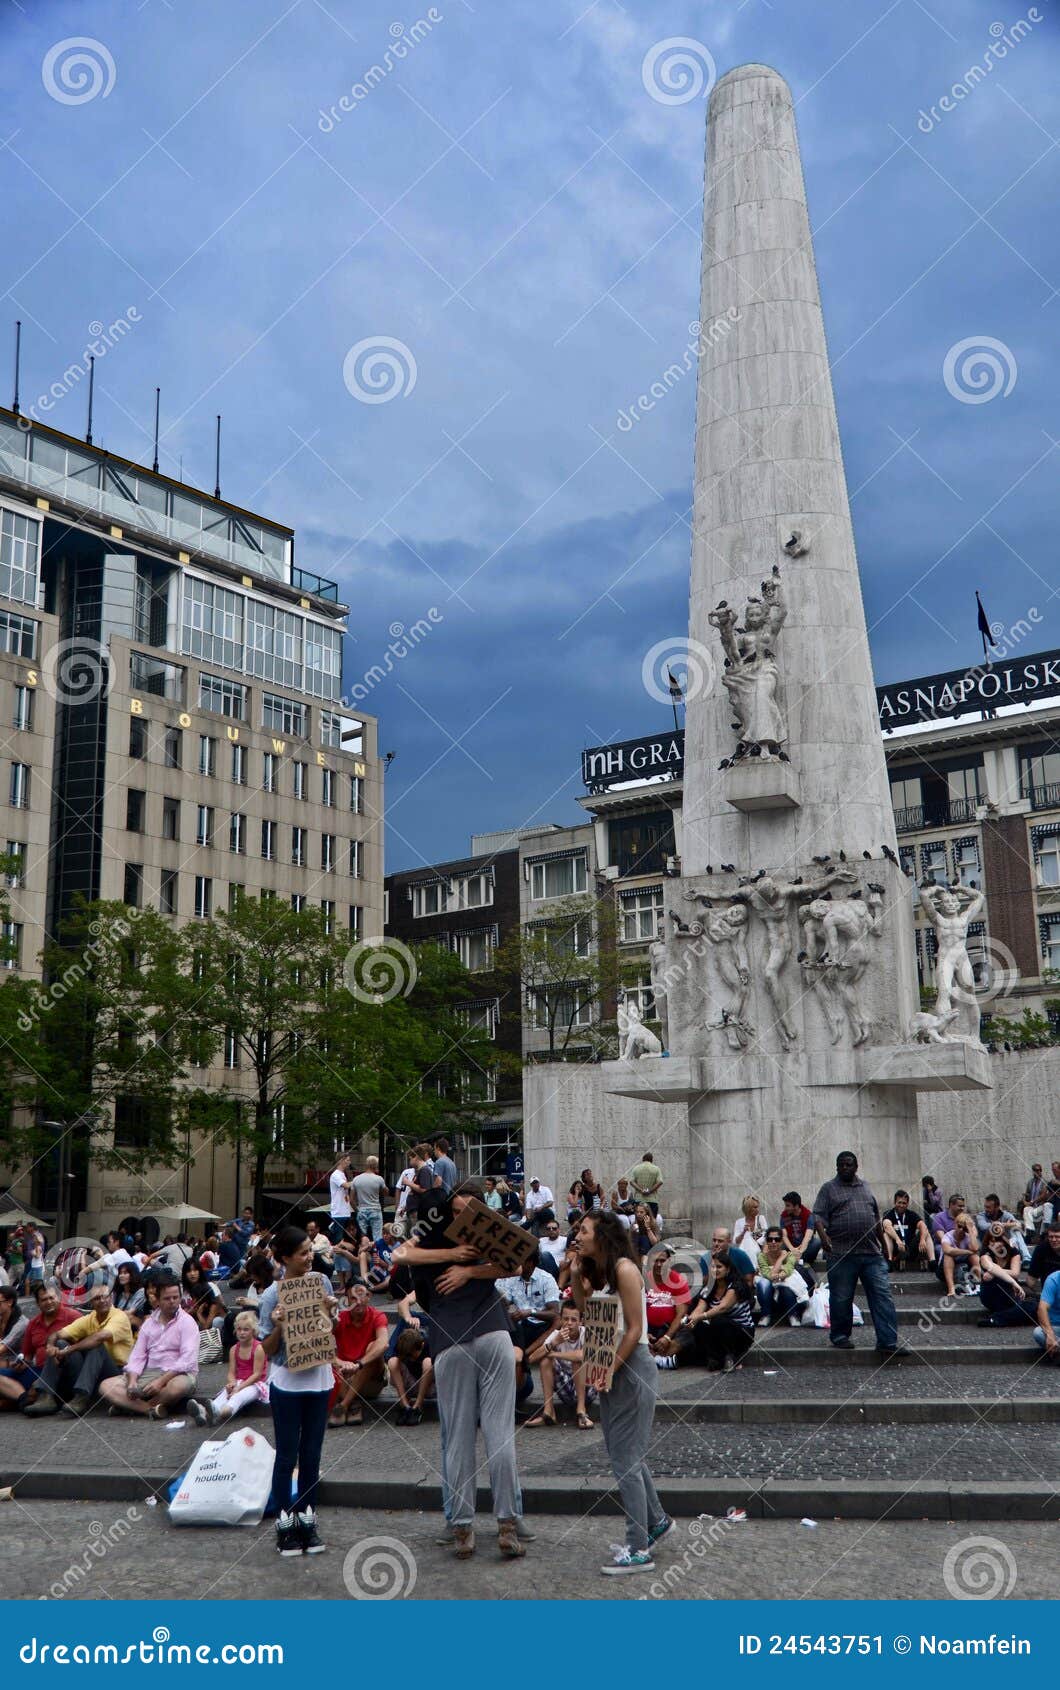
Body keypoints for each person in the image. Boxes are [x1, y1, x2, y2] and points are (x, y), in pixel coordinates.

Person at [393, 1178, 526, 1560]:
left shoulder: (432, 1236)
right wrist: (464, 1261)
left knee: (458, 1436)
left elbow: (399, 1255)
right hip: (491, 1330)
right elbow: (513, 1263)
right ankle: (506, 1524)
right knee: (500, 1435)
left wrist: (461, 1267)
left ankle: (463, 1528)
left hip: (451, 1337)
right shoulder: (486, 1232)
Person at [570, 1210, 669, 1574]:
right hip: (611, 1366)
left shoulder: (626, 1270)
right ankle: (656, 1521)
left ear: (603, 1235)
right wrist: (579, 1276)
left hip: (631, 1367)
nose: (577, 1235)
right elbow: (588, 1316)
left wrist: (609, 1369)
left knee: (626, 1459)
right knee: (623, 1454)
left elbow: (634, 1330)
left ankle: (638, 1547)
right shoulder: (601, 1273)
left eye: (584, 1230)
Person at [259, 1225, 337, 1556]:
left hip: (318, 1376)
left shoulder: (321, 1283)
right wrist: (278, 1324)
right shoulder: (271, 1295)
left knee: (312, 1454)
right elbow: (267, 1346)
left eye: (311, 1251)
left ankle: (308, 1519)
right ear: (285, 1258)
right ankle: (284, 1523)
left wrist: (330, 1312)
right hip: (288, 1380)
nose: (310, 1258)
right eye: (304, 1253)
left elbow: (330, 1328)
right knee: (287, 1454)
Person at [812, 1152, 907, 1356]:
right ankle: (840, 1336)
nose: (845, 1168)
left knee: (882, 1296)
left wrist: (884, 1246)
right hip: (841, 1253)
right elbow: (818, 1216)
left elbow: (875, 1219)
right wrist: (823, 1237)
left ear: (856, 1166)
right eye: (841, 1165)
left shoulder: (865, 1187)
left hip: (871, 1253)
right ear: (837, 1167)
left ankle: (888, 1342)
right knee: (841, 1297)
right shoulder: (828, 1189)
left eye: (849, 1164)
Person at [25, 1282, 134, 1416]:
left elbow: (99, 1338)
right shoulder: (90, 1318)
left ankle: (81, 1397)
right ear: (90, 1302)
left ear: (112, 1297)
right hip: (91, 1372)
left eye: (106, 1296)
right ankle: (46, 1397)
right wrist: (50, 1346)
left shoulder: (120, 1316)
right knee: (59, 1343)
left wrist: (69, 1350)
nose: (102, 1301)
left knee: (96, 1345)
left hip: (116, 1373)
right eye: (97, 1298)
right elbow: (58, 1334)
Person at [99, 1280, 200, 1417]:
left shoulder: (187, 1322)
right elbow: (137, 1356)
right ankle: (148, 1409)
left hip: (177, 1374)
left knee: (178, 1387)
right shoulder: (149, 1323)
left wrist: (161, 1382)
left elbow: (186, 1361)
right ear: (157, 1299)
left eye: (175, 1297)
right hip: (148, 1371)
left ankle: (129, 1407)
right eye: (167, 1298)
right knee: (105, 1386)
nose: (172, 1301)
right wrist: (132, 1381)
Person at [661, 1248, 756, 1371]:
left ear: (728, 1269)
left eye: (719, 1267)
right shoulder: (709, 1288)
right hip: (720, 1331)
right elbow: (700, 1307)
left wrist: (699, 1317)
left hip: (742, 1331)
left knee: (717, 1320)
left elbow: (723, 1307)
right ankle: (717, 1359)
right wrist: (691, 1319)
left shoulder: (736, 1286)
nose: (715, 1270)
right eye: (712, 1267)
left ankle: (730, 1357)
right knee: (698, 1325)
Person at [189, 1311, 269, 1426]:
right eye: (239, 1329)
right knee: (223, 1396)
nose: (242, 1333)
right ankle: (205, 1412)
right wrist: (232, 1383)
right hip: (239, 1381)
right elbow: (231, 1372)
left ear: (253, 1331)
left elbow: (257, 1374)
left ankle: (218, 1414)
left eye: (246, 1330)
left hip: (255, 1384)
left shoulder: (258, 1348)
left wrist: (239, 1388)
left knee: (238, 1397)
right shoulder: (233, 1349)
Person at [0, 1282, 71, 1409]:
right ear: (38, 1303)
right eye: (44, 1300)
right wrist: (21, 1365)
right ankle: (23, 1398)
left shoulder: (72, 1316)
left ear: (58, 1298)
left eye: (51, 1298)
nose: (49, 1302)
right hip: (36, 1370)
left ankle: (20, 1398)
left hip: (62, 1371)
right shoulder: (33, 1323)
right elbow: (27, 1357)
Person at [497, 1250, 560, 1390]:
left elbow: (554, 1312)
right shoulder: (509, 1277)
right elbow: (504, 1302)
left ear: (530, 1263)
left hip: (539, 1327)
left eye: (521, 1261)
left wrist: (530, 1312)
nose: (517, 1264)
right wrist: (508, 1306)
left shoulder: (546, 1278)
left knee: (557, 1321)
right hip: (517, 1327)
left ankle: (525, 1354)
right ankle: (522, 1356)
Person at [329, 1279, 389, 1427]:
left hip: (371, 1379)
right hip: (345, 1376)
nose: (359, 1302)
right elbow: (321, 1346)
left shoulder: (378, 1316)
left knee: (373, 1348)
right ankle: (353, 1403)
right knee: (327, 1357)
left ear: (368, 1296)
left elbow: (384, 1343)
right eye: (353, 1298)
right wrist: (340, 1362)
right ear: (347, 1299)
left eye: (362, 1297)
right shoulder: (340, 1318)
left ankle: (343, 1405)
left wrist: (359, 1364)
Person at [525, 1304, 595, 1428]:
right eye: (566, 1319)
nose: (569, 1323)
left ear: (581, 1322)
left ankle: (581, 1411)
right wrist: (554, 1342)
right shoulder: (557, 1335)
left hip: (587, 1388)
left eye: (574, 1320)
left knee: (576, 1361)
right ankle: (549, 1411)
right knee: (545, 1361)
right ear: (561, 1320)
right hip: (566, 1387)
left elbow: (580, 1356)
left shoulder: (587, 1333)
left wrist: (555, 1354)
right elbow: (531, 1358)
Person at [978, 1227, 1035, 1328]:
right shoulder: (985, 1254)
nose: (994, 1245)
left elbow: (1015, 1273)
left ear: (1004, 1240)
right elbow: (990, 1266)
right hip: (991, 1294)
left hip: (1010, 1294)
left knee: (1032, 1307)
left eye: (998, 1241)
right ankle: (1006, 1316)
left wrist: (995, 1272)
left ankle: (995, 1319)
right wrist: (1013, 1282)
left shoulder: (1013, 1252)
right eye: (991, 1241)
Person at [756, 1228, 810, 1326]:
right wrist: (780, 1259)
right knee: (763, 1283)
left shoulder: (790, 1255)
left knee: (785, 1285)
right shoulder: (761, 1256)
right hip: (769, 1296)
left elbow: (788, 1270)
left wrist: (780, 1275)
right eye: (769, 1239)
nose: (773, 1242)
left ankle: (793, 1315)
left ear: (781, 1242)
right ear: (766, 1241)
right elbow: (768, 1274)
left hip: (786, 1296)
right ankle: (766, 1315)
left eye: (776, 1239)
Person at [645, 1246, 692, 1350]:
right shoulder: (643, 1280)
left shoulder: (679, 1281)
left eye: (662, 1261)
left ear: (669, 1261)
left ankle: (662, 1357)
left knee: (689, 1330)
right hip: (648, 1329)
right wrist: (644, 1334)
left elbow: (681, 1315)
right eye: (655, 1261)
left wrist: (667, 1337)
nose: (658, 1264)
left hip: (671, 1330)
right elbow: (636, 1312)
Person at [388, 1326, 435, 1425]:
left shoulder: (430, 1345)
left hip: (430, 1386)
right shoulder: (403, 1348)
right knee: (393, 1362)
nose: (410, 1359)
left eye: (412, 1355)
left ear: (421, 1345)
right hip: (411, 1384)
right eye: (407, 1356)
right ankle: (405, 1406)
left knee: (428, 1362)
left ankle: (417, 1407)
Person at [934, 1199, 981, 1296]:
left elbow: (975, 1249)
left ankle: (979, 1285)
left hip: (964, 1267)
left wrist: (971, 1231)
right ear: (955, 1224)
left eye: (964, 1228)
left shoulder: (968, 1236)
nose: (961, 1230)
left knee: (975, 1256)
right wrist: (967, 1252)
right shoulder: (948, 1236)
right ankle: (951, 1289)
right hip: (943, 1270)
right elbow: (948, 1250)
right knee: (948, 1256)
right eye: (959, 1226)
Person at [882, 1191, 935, 1271]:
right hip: (896, 1247)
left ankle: (932, 1262)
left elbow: (922, 1225)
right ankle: (889, 1262)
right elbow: (887, 1226)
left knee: (925, 1232)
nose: (901, 1205)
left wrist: (922, 1239)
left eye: (904, 1203)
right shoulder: (889, 1213)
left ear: (907, 1203)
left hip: (910, 1248)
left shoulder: (911, 1214)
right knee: (886, 1234)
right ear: (894, 1202)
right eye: (899, 1202)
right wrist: (897, 1240)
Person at [976, 1194, 1030, 1266]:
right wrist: (1003, 1225)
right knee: (1011, 1228)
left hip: (1003, 1244)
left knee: (1015, 1231)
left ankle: (1026, 1258)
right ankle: (1017, 1257)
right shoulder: (981, 1216)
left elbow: (1019, 1225)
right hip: (988, 1245)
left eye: (988, 1207)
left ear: (997, 1207)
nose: (986, 1209)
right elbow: (983, 1226)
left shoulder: (1005, 1215)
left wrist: (1004, 1225)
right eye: (985, 1207)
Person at [780, 1191, 821, 1270]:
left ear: (796, 1206)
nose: (785, 1208)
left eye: (788, 1206)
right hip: (791, 1247)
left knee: (817, 1242)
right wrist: (793, 1250)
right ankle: (795, 1261)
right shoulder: (784, 1216)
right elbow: (784, 1236)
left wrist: (800, 1252)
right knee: (779, 1244)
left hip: (805, 1248)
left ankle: (799, 1261)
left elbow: (808, 1237)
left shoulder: (808, 1215)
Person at [353, 1155, 389, 1243]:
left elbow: (351, 1199)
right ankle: (377, 1254)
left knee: (362, 1236)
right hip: (375, 1209)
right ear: (376, 1166)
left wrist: (357, 1210)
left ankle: (363, 1254)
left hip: (362, 1209)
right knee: (377, 1237)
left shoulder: (356, 1179)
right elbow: (386, 1193)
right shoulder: (379, 1179)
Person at [181, 1259, 225, 1330]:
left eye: (195, 1270)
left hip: (212, 1323)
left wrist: (198, 1313)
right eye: (189, 1271)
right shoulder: (183, 1290)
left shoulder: (210, 1287)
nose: (192, 1274)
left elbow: (207, 1326)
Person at [1033, 1268, 1060, 1363]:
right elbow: (1042, 1309)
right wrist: (1050, 1335)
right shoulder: (1053, 1279)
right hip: (1055, 1327)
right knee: (1038, 1333)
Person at [328, 1151, 353, 1246]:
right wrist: (357, 1181)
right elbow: (346, 1185)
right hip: (338, 1213)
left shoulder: (342, 1174)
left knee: (345, 1239)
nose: (349, 1162)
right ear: (341, 1161)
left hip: (345, 1212)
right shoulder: (336, 1175)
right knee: (339, 1240)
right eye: (347, 1160)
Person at [112, 1262, 147, 1330]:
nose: (121, 1276)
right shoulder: (118, 1292)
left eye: (125, 1273)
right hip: (118, 1323)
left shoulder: (141, 1292)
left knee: (128, 1317)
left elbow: (130, 1312)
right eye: (120, 1273)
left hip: (134, 1326)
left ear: (133, 1274)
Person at [1028, 1221, 1060, 1290]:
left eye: (1057, 1237)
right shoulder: (1041, 1249)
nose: (1054, 1240)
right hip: (1048, 1289)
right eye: (1051, 1237)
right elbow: (1031, 1279)